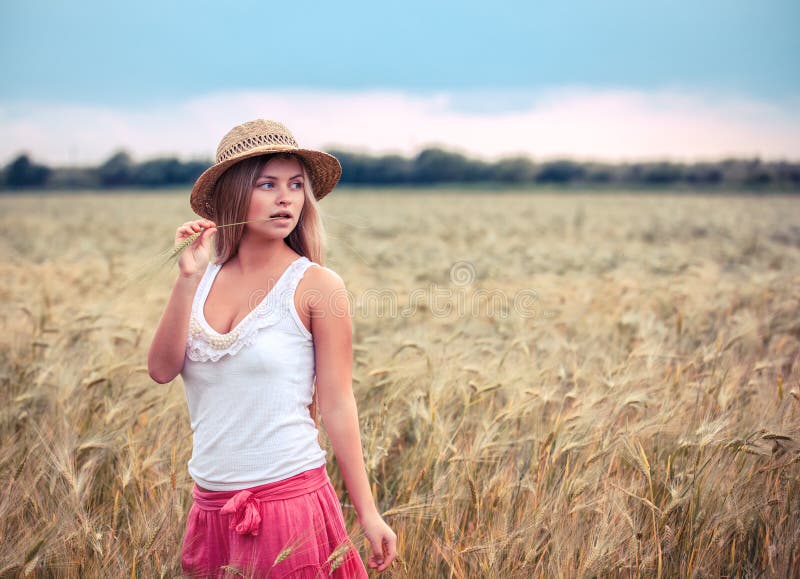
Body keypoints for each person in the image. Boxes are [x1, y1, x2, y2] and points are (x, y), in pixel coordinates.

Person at [147, 119, 397, 578]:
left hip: (289, 505)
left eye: (296, 185)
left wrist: (368, 513)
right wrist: (186, 279)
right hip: (211, 509)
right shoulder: (200, 277)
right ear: (233, 194)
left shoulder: (317, 285)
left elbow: (338, 403)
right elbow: (162, 370)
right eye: (268, 184)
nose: (286, 198)